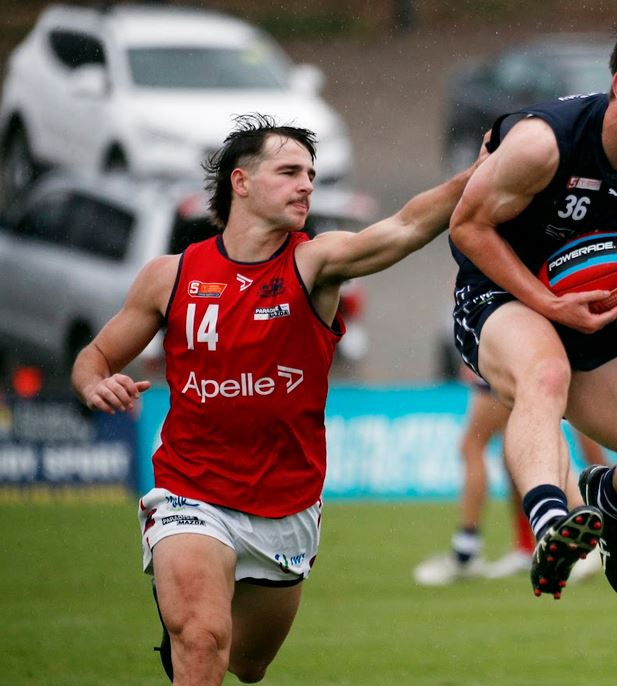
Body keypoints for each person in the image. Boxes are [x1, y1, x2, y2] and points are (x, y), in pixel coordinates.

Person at [71, 113, 483, 685]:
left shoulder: (316, 261)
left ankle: (192, 627)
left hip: (285, 510)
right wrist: (94, 381)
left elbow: (408, 227)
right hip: (191, 489)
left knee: (248, 662)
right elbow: (94, 356)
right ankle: (186, 626)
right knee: (203, 637)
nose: (306, 185)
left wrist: (481, 173)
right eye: (289, 172)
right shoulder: (171, 276)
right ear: (241, 182)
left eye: (311, 174)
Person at [448, 6, 617, 602]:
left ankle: (607, 506)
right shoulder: (544, 144)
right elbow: (466, 227)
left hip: (591, 309)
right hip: (500, 296)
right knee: (545, 372)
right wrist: (546, 300)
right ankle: (551, 527)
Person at [413, 371, 617, 586]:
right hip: (535, 339)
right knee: (521, 451)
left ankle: (593, 538)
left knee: (527, 449)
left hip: (526, 342)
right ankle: (523, 548)